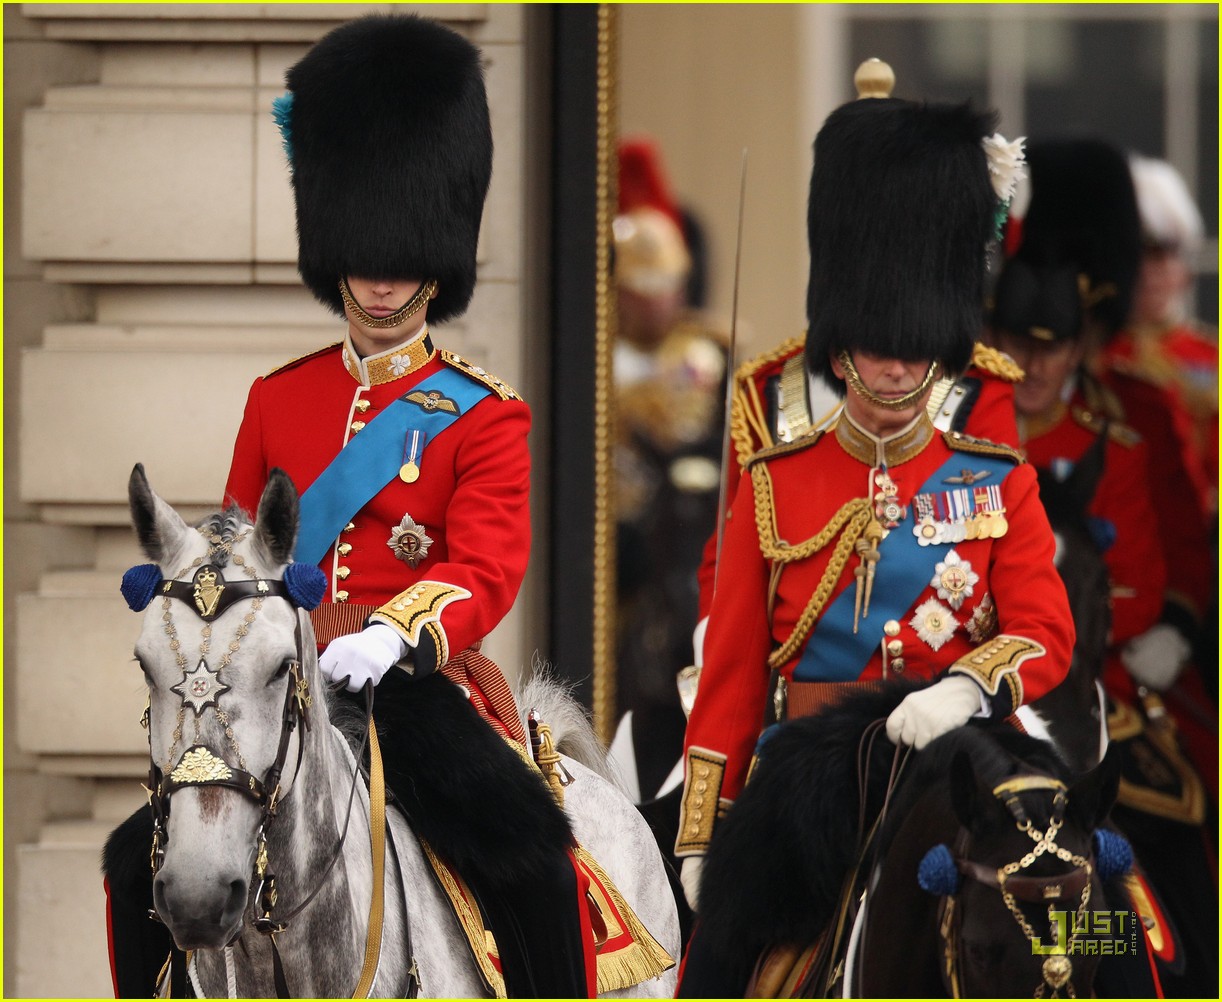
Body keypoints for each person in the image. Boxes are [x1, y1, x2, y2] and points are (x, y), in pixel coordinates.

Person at [107, 15, 599, 998]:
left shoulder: (484, 413)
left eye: (403, 255)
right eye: (365, 252)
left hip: (411, 693)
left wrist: (394, 632)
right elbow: (238, 555)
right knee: (134, 865)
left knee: (537, 859)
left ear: (437, 258)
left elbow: (489, 567)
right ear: (333, 249)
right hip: (275, 691)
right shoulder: (277, 399)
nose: (382, 277)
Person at [674, 67, 1075, 995]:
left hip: (969, 755)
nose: (895, 369)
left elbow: (1046, 632)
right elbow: (733, 678)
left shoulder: (997, 480)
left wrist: (969, 687)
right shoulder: (776, 481)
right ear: (837, 342)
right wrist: (706, 832)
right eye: (874, 348)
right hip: (812, 778)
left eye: (913, 348)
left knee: (1104, 914)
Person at [991, 137, 1216, 1000]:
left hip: (1116, 686)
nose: (1042, 362)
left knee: (1179, 823)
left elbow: (1177, 556)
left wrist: (1177, 628)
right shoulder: (967, 424)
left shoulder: (1135, 418)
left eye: (1061, 342)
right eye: (1024, 340)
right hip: (995, 683)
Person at [612, 137, 727, 807]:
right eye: (640, 289)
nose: (655, 302)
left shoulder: (711, 352)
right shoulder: (598, 356)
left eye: (666, 287)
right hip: (622, 555)